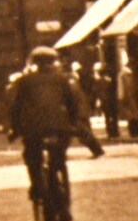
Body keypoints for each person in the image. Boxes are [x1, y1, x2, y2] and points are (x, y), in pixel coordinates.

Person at [8, 46, 101, 210]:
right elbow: (72, 104)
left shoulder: (25, 81)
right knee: (58, 158)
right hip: (60, 127)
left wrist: (15, 130)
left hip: (35, 129)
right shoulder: (62, 80)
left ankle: (38, 187)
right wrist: (72, 123)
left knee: (32, 157)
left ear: (34, 63)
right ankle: (62, 197)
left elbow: (16, 108)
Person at [118, 54, 138, 141]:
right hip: (128, 97)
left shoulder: (131, 74)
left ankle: (137, 130)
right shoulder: (122, 74)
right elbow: (120, 87)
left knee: (135, 114)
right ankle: (134, 131)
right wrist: (121, 97)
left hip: (133, 96)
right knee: (131, 115)